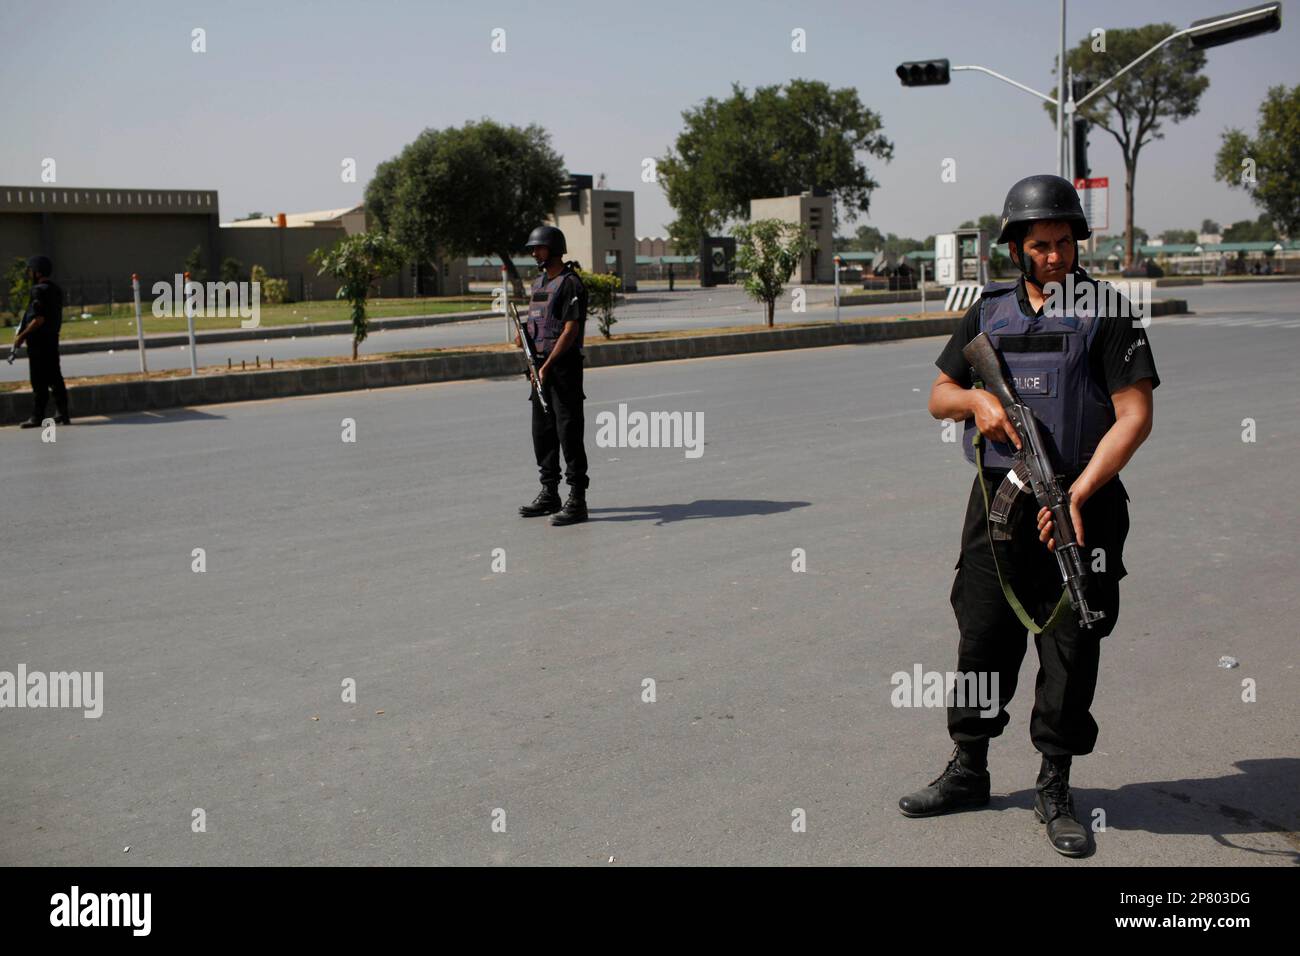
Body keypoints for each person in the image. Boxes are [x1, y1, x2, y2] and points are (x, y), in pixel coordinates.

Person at [899, 175, 1159, 857]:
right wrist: (976, 405)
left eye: (1064, 243)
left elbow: (1135, 416)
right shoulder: (987, 314)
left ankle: (1054, 782)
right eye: (1040, 245)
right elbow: (938, 393)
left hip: (1083, 504)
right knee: (983, 636)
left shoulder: (1107, 312)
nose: (1055, 256)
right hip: (998, 504)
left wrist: (1076, 494)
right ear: (1015, 247)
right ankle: (968, 767)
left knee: (1071, 645)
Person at [515, 225, 590, 526]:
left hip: (563, 369)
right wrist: (525, 341)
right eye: (533, 249)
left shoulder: (571, 284)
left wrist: (548, 366)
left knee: (568, 431)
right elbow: (537, 322)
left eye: (539, 248)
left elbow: (571, 330)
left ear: (554, 249)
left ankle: (578, 499)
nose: (535, 253)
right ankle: (550, 493)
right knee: (542, 432)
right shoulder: (539, 283)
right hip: (539, 368)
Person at [13, 255, 70, 428]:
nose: (29, 273)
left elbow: (39, 320)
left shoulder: (38, 290)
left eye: (31, 270)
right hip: (52, 340)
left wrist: (21, 336)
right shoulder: (56, 290)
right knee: (55, 377)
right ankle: (63, 414)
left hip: (38, 343)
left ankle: (37, 417)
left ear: (37, 273)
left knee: (38, 381)